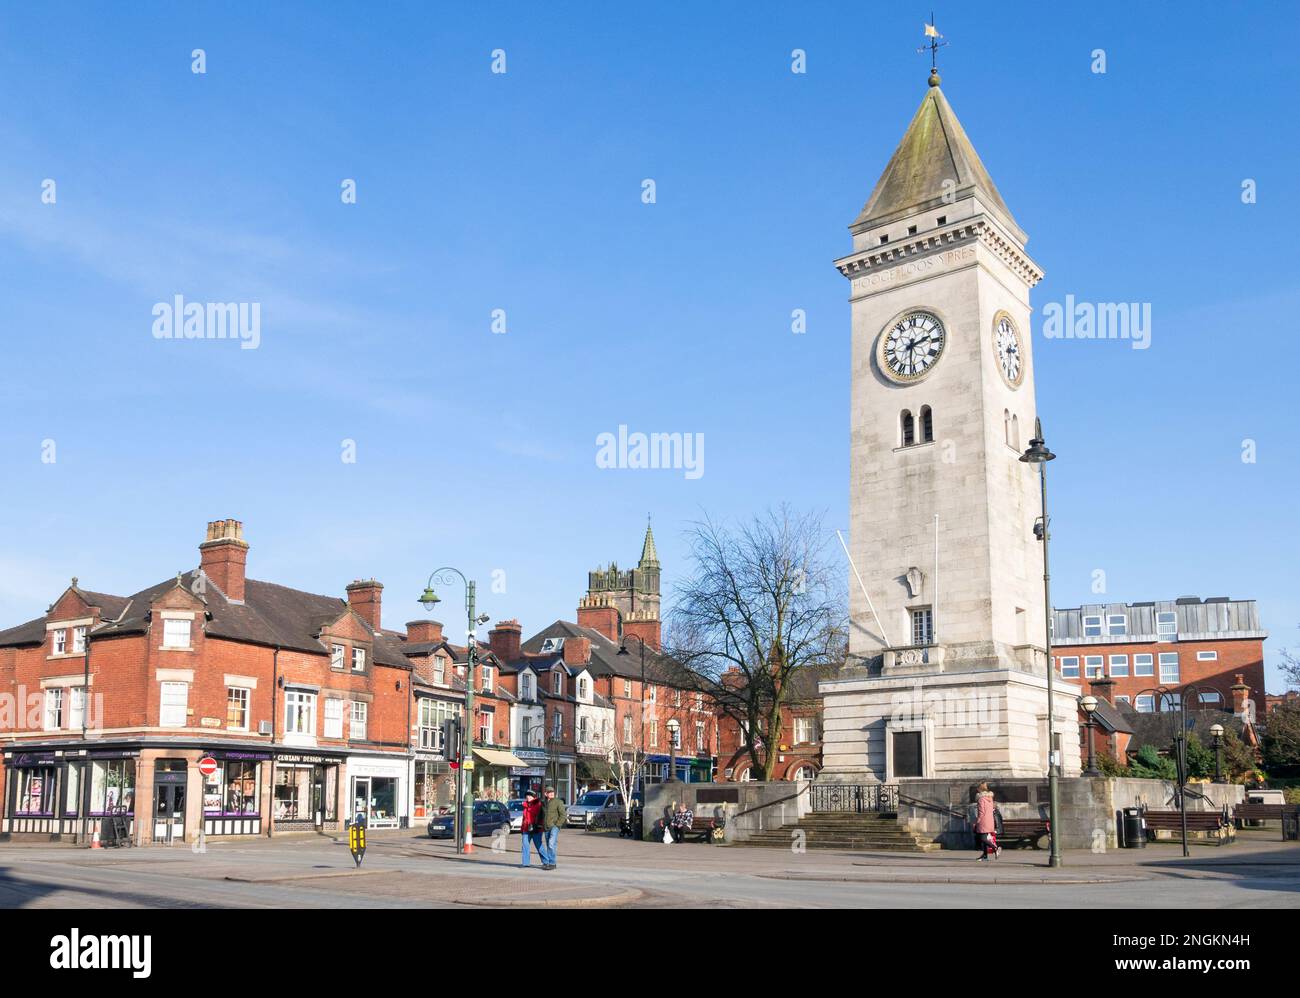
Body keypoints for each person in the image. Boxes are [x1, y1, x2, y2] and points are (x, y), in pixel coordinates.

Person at [973, 781, 1000, 860]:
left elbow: (981, 812)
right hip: (989, 820)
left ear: (979, 789)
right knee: (983, 838)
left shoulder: (981, 799)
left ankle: (995, 848)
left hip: (983, 821)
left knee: (983, 838)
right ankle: (985, 855)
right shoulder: (990, 798)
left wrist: (977, 822)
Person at [540, 785, 566, 870]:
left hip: (554, 826)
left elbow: (563, 815)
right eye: (549, 792)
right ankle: (550, 863)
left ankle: (552, 863)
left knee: (551, 843)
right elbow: (541, 815)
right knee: (549, 845)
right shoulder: (543, 802)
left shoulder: (558, 802)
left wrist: (557, 825)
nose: (551, 793)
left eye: (552, 792)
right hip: (546, 827)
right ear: (546, 793)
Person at [519, 790, 544, 868]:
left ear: (534, 797)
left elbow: (541, 816)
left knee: (539, 846)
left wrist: (539, 826)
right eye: (527, 796)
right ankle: (525, 863)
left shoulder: (538, 804)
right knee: (525, 846)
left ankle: (546, 861)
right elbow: (524, 819)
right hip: (526, 829)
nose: (528, 797)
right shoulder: (525, 805)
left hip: (536, 829)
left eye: (530, 796)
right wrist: (522, 828)